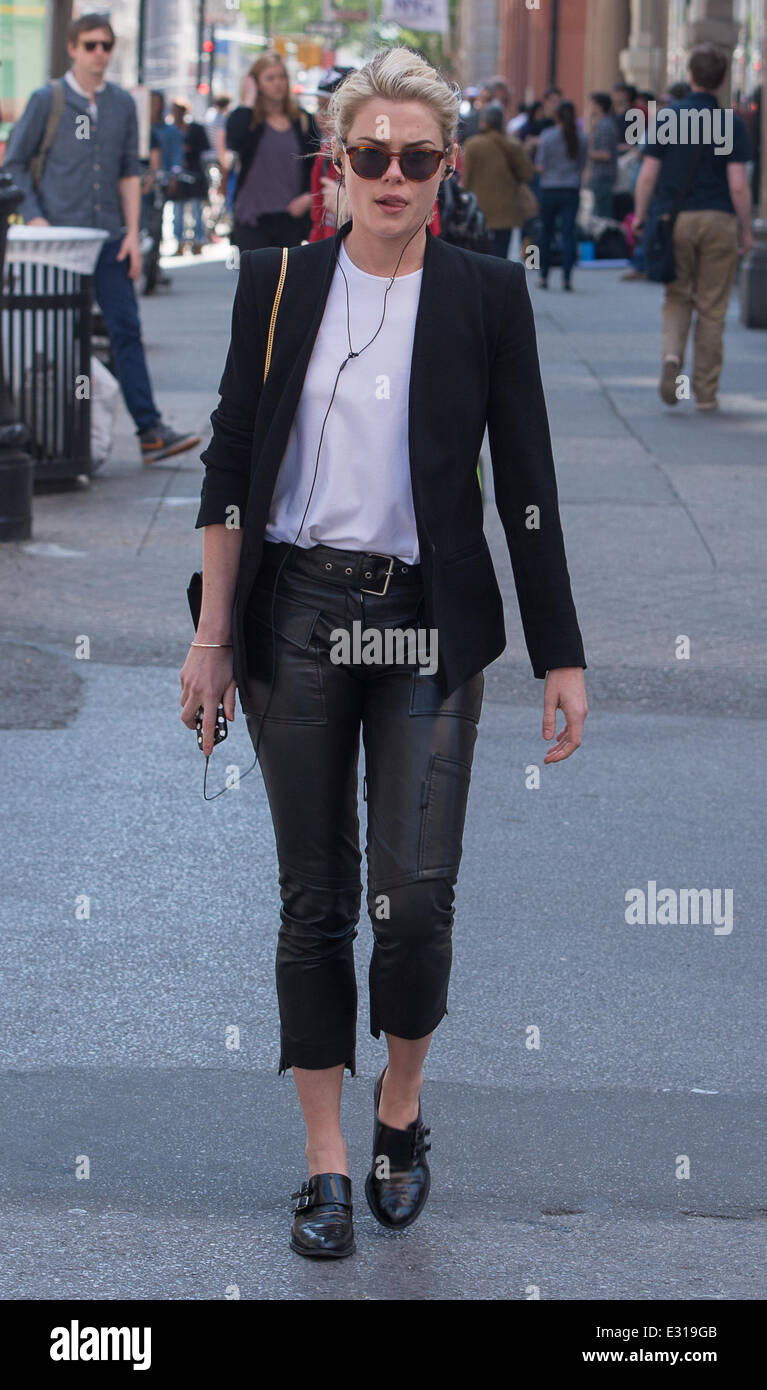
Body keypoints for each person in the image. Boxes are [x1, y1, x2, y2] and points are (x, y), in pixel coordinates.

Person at [180, 44, 587, 1260]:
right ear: (336, 166)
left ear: (444, 169)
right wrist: (209, 638)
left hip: (422, 623)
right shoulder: (274, 283)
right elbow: (226, 466)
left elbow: (525, 486)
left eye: (416, 158)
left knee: (409, 900)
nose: (393, 176)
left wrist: (558, 651)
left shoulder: (482, 294)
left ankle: (398, 1113)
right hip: (293, 615)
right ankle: (320, 1163)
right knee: (314, 901)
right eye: (371, 157)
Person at [3, 11, 200, 463]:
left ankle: (149, 431)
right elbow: (13, 164)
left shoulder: (120, 104)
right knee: (57, 338)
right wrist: (34, 219)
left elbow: (129, 173)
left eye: (106, 46)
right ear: (72, 48)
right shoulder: (46, 100)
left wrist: (132, 235)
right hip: (58, 245)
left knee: (125, 330)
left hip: (109, 238)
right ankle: (54, 434)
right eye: (90, 45)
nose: (99, 54)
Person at [632, 43, 753, 410]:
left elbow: (647, 175)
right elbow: (737, 183)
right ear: (722, 80)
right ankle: (705, 391)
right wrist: (745, 230)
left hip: (676, 220)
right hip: (718, 220)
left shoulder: (667, 118)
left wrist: (639, 216)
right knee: (713, 308)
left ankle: (672, 358)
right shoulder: (731, 122)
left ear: (690, 76)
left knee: (678, 296)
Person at [225, 50, 322, 251]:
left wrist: (308, 198)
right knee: (256, 282)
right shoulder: (248, 120)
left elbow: (317, 168)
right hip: (252, 219)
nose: (278, 83)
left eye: (282, 77)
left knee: (286, 281)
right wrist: (249, 98)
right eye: (270, 78)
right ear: (256, 83)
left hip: (290, 219)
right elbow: (234, 140)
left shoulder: (303, 121)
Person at [461, 101, 535, 257]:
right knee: (501, 253)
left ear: (484, 121)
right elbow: (528, 174)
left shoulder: (472, 145)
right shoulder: (513, 145)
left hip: (480, 210)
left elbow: (465, 179)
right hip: (506, 209)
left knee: (480, 253)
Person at [535, 99, 588, 290]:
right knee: (568, 234)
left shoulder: (547, 136)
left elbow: (540, 166)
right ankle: (567, 277)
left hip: (549, 188)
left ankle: (543, 276)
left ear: (556, 116)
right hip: (570, 189)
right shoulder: (581, 137)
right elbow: (581, 165)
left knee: (546, 234)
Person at [167, 98, 210, 255]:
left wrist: (190, 148)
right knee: (177, 212)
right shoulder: (170, 129)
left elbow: (206, 146)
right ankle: (179, 243)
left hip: (195, 173)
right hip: (178, 176)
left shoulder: (196, 128)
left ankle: (199, 242)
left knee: (197, 210)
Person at [587, 92, 618, 218]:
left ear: (599, 106)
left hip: (603, 176)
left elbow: (606, 154)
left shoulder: (604, 125)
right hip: (601, 176)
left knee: (601, 215)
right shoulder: (602, 124)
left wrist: (586, 153)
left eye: (592, 104)